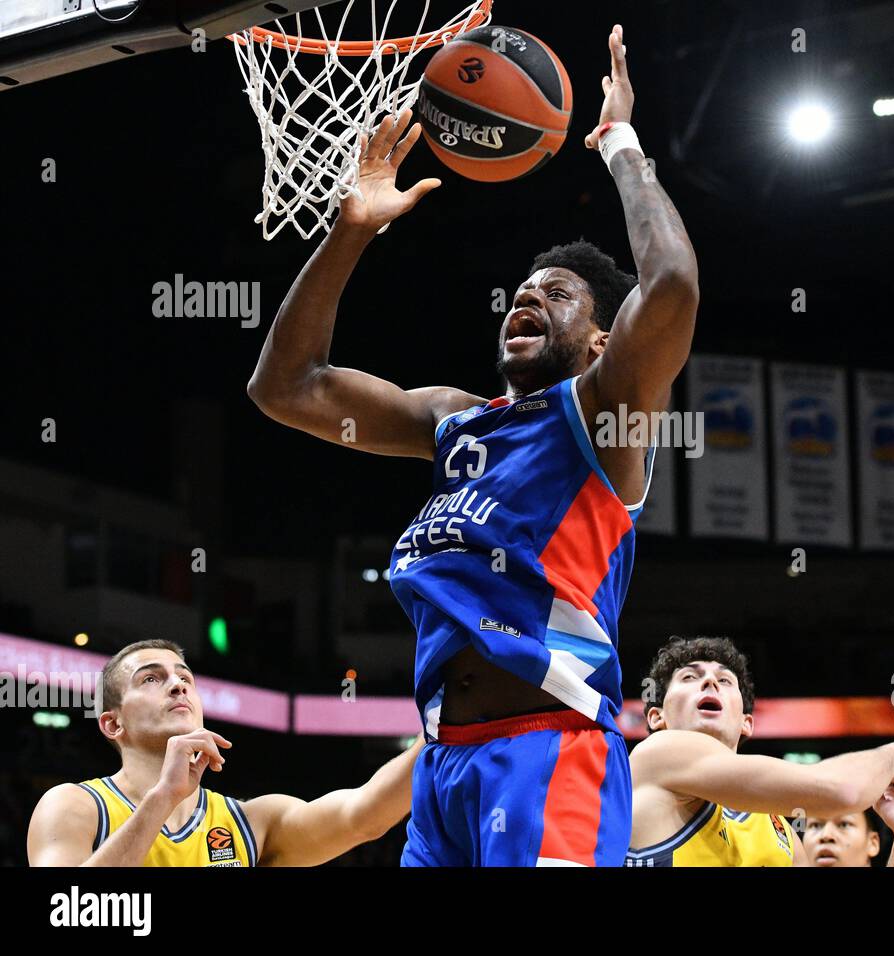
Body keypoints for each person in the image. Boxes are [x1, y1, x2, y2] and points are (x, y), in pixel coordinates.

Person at [247, 24, 698, 866]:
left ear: (603, 340)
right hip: (444, 767)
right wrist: (352, 227)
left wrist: (622, 145)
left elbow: (669, 284)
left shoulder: (605, 414)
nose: (529, 296)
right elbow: (286, 389)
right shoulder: (454, 420)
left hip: (549, 749)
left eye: (558, 294)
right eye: (524, 289)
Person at [27, 640, 419, 866]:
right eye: (151, 678)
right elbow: (66, 914)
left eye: (185, 678)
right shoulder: (72, 805)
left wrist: (439, 732)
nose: (178, 686)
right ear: (113, 724)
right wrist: (162, 798)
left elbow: (363, 816)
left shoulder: (252, 822)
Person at [625, 636, 894, 866]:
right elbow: (842, 790)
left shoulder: (775, 825)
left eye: (725, 681)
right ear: (657, 717)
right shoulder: (658, 754)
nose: (710, 681)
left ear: (746, 723)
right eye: (690, 677)